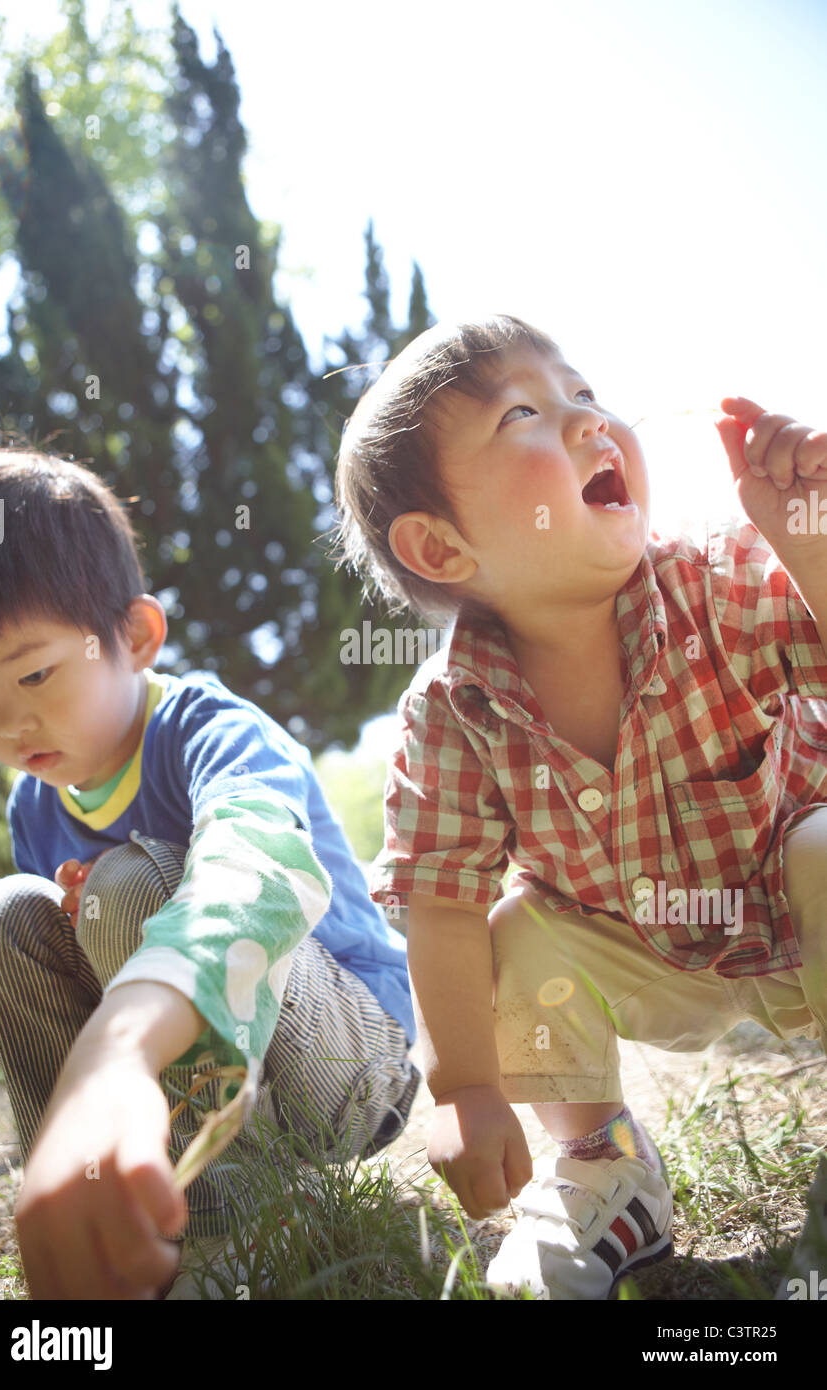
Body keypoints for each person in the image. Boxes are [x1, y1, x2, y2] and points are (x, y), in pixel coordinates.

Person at [333, 313, 827, 1300]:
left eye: (584, 394)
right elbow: (436, 905)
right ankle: (601, 1166)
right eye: (526, 410)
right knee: (511, 935)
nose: (588, 421)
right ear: (439, 544)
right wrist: (464, 1088)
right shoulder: (450, 713)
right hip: (643, 960)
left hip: (802, 920)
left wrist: (808, 528)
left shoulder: (723, 579)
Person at [0, 448, 419, 1300]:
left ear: (134, 637)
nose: (10, 720)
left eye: (33, 672)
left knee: (134, 885)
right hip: (183, 1080)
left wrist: (119, 1042)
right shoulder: (36, 806)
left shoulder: (209, 732)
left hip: (343, 1066)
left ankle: (227, 1229)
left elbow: (260, 865)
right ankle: (95, 1199)